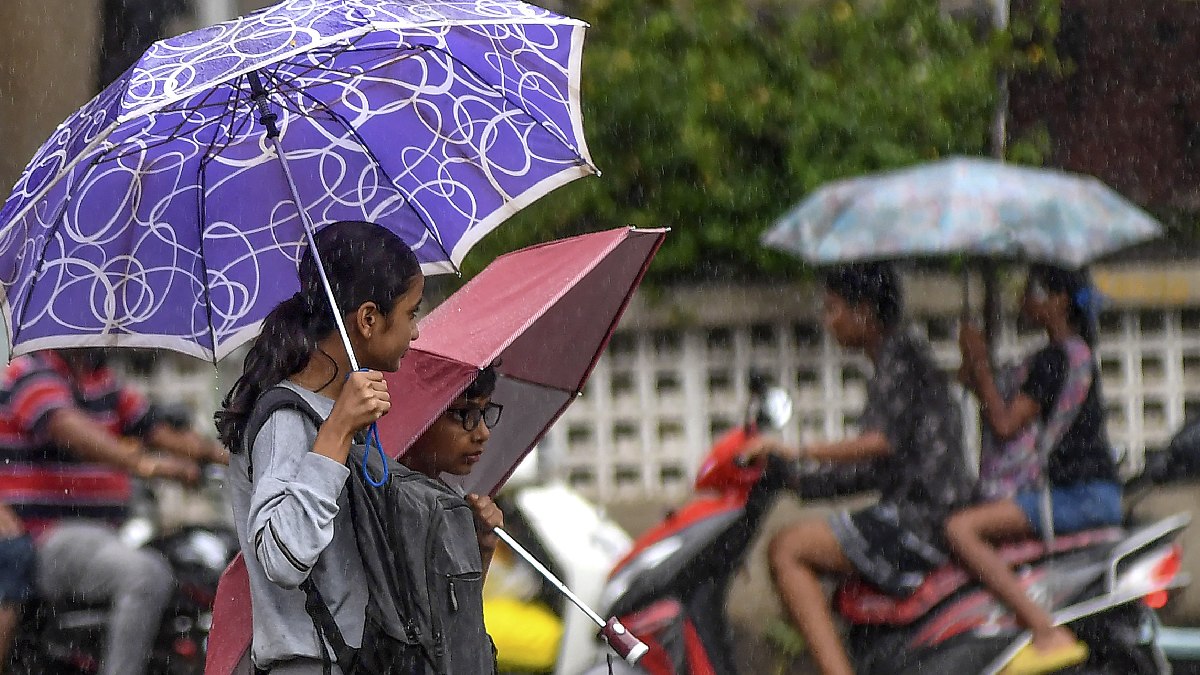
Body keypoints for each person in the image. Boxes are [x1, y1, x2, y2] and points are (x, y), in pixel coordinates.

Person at [746, 262, 974, 675]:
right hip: (919, 509)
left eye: (833, 308)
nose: (827, 320)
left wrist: (795, 449)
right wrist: (798, 481)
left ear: (864, 311)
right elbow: (875, 467)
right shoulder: (895, 358)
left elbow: (878, 443)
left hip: (922, 519)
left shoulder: (901, 357)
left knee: (787, 549)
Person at [215, 220, 423, 674]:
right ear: (368, 319)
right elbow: (282, 558)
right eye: (412, 313)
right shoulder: (285, 418)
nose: (416, 332)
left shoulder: (333, 408)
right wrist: (337, 431)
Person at [0, 346, 227, 675]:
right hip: (46, 536)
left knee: (189, 568)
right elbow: (72, 431)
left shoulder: (102, 381)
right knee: (144, 575)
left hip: (105, 534)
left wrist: (228, 456)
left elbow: (155, 429)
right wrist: (147, 464)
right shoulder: (31, 375)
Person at [946, 264, 1118, 675]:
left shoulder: (1054, 360)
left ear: (1059, 302)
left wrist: (981, 364)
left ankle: (1044, 630)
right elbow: (997, 404)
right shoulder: (1076, 355)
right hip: (1096, 491)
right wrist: (976, 367)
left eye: (1035, 291)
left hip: (1074, 495)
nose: (1024, 299)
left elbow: (1004, 423)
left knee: (960, 529)